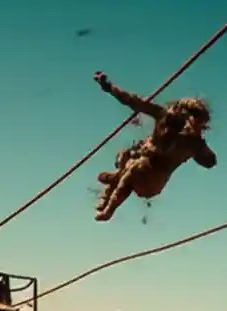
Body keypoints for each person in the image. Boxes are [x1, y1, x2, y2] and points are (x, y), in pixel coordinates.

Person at [92, 71, 218, 222]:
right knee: (128, 156)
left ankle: (109, 205)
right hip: (144, 168)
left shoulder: (192, 140)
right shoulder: (164, 116)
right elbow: (134, 101)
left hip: (153, 179)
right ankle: (110, 189)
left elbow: (210, 162)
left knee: (134, 168)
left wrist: (198, 142)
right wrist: (110, 87)